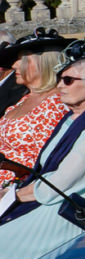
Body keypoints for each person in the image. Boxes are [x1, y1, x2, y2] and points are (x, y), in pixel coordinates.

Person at [0, 54, 85, 259]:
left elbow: (66, 180)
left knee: (6, 239)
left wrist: (15, 196)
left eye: (68, 80)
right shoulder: (71, 118)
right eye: (60, 79)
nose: (59, 85)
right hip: (58, 193)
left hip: (83, 204)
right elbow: (48, 172)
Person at [0, 46, 70, 200]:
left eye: (23, 60)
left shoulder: (55, 104)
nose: (14, 65)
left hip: (17, 188)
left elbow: (45, 160)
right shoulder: (24, 98)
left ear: (44, 64)